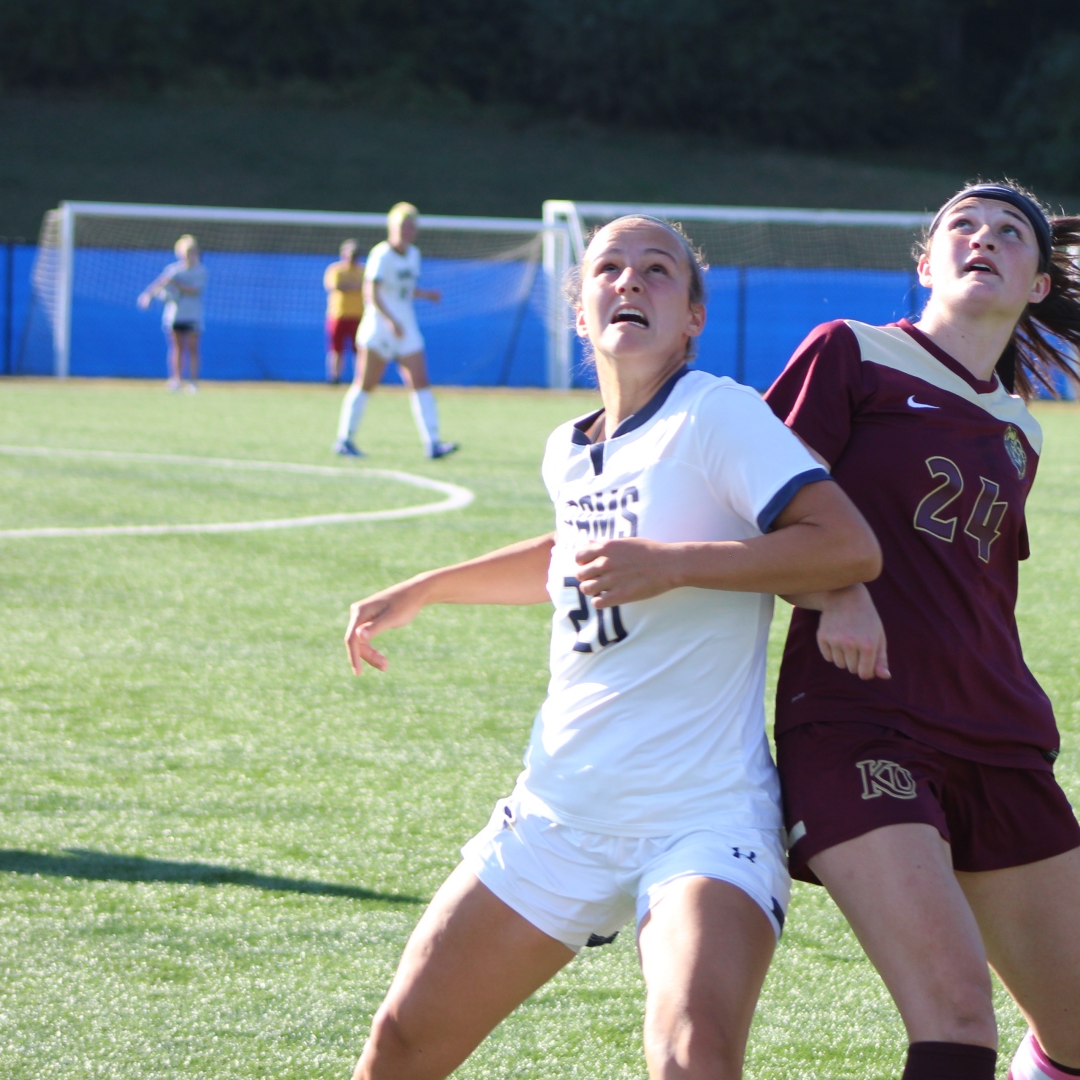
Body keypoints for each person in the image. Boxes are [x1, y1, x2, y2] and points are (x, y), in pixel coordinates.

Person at [341, 215, 881, 1080]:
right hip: (558, 811)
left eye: (658, 271)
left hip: (702, 819)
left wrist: (676, 567)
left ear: (693, 316)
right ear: (580, 311)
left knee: (690, 1055)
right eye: (610, 269)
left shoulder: (717, 413)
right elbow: (576, 555)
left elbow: (847, 544)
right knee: (400, 1048)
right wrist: (428, 587)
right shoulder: (569, 449)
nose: (630, 282)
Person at [763, 182, 1080, 1080]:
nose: (984, 239)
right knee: (959, 1016)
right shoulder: (853, 352)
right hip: (861, 722)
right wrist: (836, 591)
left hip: (998, 734)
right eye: (961, 226)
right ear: (924, 262)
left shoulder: (1019, 430)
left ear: (1038, 285)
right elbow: (755, 500)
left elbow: (977, 593)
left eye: (1010, 233)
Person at [336, 202, 455, 459]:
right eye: (402, 225)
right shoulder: (381, 254)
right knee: (365, 383)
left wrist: (425, 295)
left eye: (411, 226)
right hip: (379, 327)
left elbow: (402, 289)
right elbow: (371, 292)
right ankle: (344, 439)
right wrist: (390, 320)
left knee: (420, 382)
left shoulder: (413, 254)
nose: (407, 231)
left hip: (406, 326)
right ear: (392, 227)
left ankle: (433, 443)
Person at [136, 234, 206, 393]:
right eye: (186, 252)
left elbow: (194, 291)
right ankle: (176, 380)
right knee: (177, 347)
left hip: (193, 315)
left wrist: (176, 284)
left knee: (193, 348)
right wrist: (149, 296)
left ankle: (193, 382)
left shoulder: (200, 271)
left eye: (192, 252)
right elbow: (160, 283)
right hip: (175, 315)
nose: (189, 256)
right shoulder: (173, 270)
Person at [323, 239, 364, 385]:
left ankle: (360, 379)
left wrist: (352, 286)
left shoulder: (363, 270)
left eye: (356, 254)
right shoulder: (336, 270)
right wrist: (356, 286)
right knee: (336, 349)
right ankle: (334, 378)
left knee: (359, 350)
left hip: (359, 316)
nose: (353, 257)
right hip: (337, 315)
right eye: (351, 253)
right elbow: (336, 286)